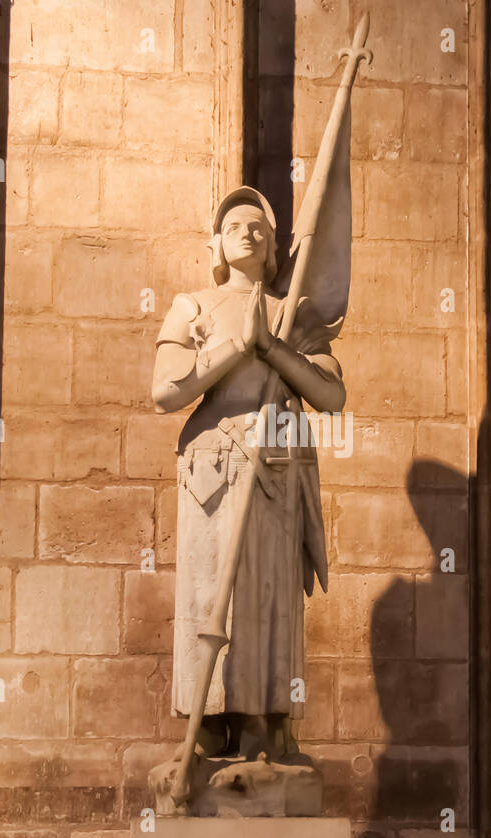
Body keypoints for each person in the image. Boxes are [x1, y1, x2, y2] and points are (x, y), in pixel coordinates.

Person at [151, 186, 345, 760]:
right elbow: (165, 390)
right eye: (235, 224)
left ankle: (263, 718)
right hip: (212, 468)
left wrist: (273, 346)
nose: (248, 232)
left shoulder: (295, 313)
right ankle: (206, 718)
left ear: (275, 245)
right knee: (210, 588)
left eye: (259, 226)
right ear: (217, 242)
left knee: (268, 592)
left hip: (275, 468)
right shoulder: (193, 306)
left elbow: (331, 395)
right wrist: (238, 346)